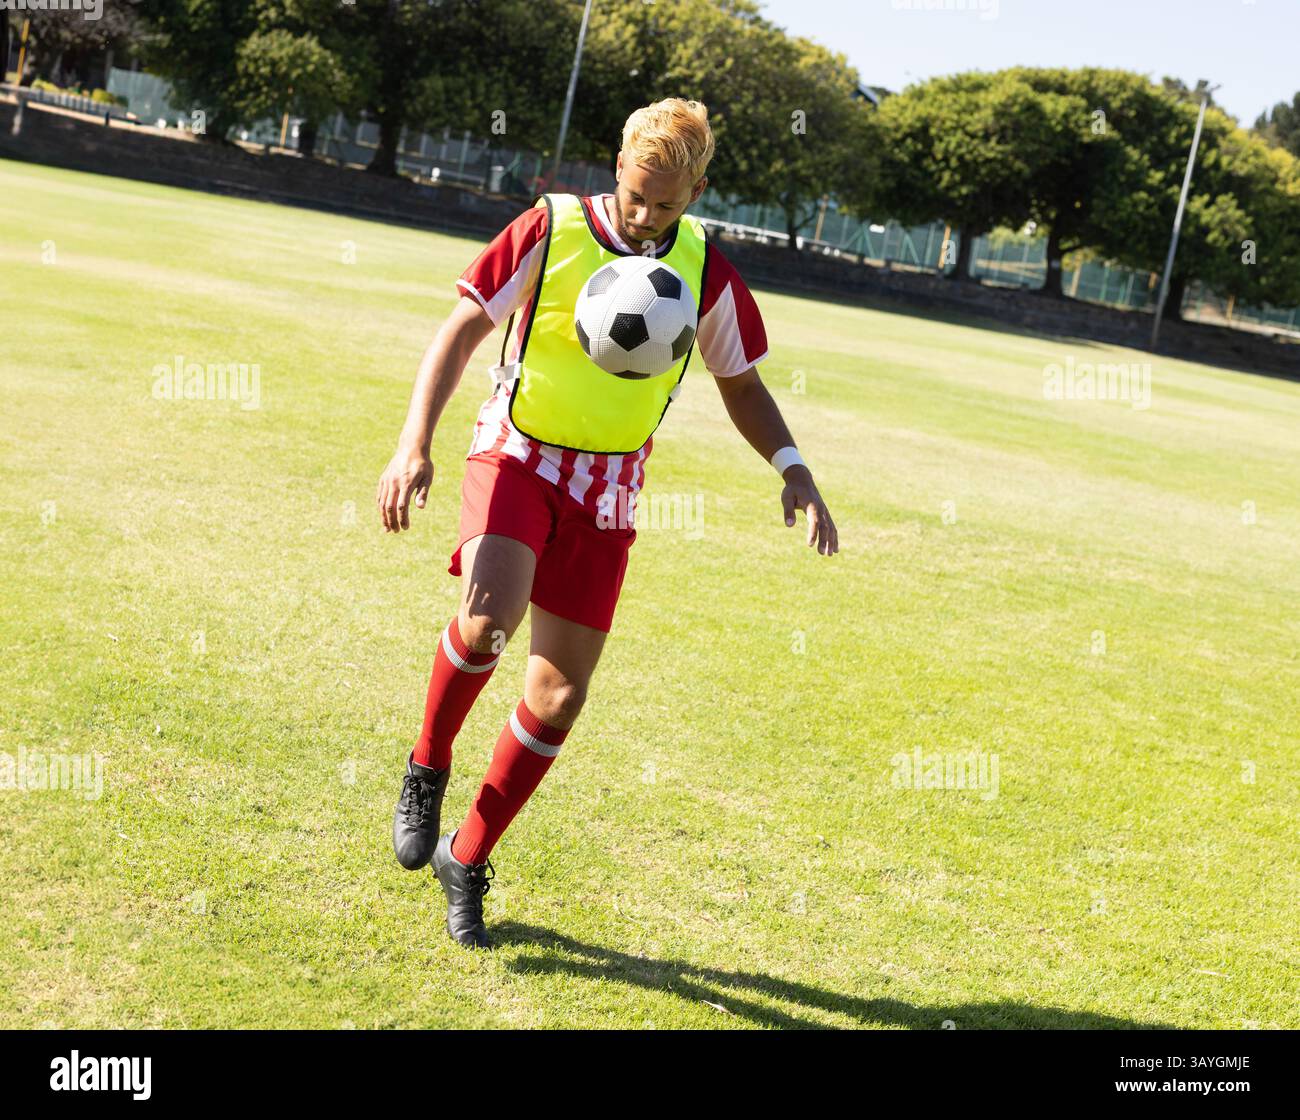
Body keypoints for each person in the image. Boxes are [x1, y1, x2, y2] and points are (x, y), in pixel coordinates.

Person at [375, 98, 838, 950]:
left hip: (611, 482)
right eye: (637, 193)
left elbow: (742, 385)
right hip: (516, 450)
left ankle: (466, 855)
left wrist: (794, 467)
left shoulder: (705, 270)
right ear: (617, 163)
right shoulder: (550, 228)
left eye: (668, 203)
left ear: (699, 188)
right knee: (485, 625)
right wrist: (414, 446)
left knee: (557, 697)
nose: (646, 215)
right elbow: (461, 331)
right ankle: (427, 763)